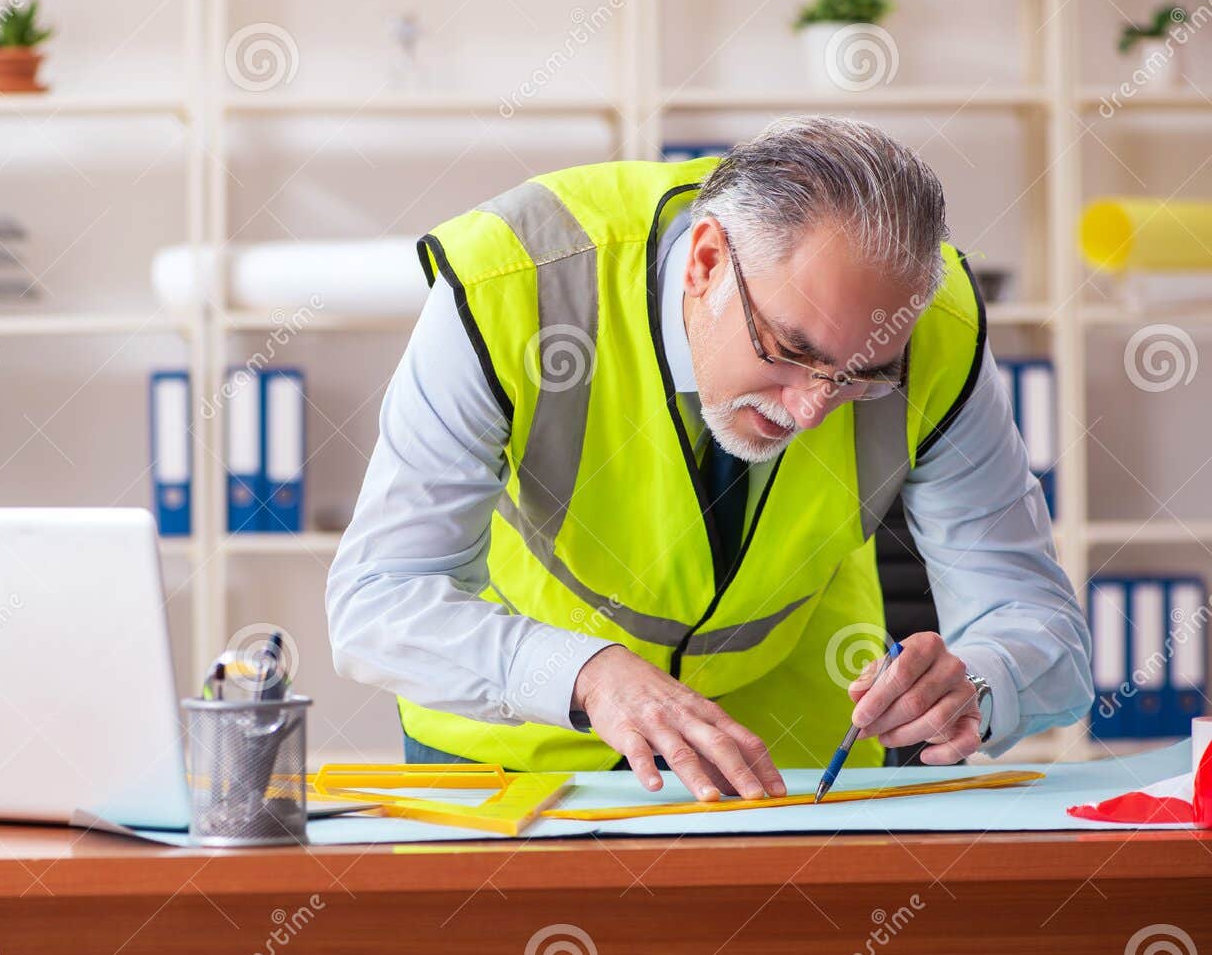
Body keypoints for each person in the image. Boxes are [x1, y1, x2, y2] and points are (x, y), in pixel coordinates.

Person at [326, 116, 1093, 799]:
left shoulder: (935, 328)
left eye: (861, 379)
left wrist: (978, 685)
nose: (810, 409)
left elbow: (1041, 625)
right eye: (789, 352)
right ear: (704, 262)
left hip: (782, 763)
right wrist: (588, 675)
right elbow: (376, 599)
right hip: (517, 753)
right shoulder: (512, 281)